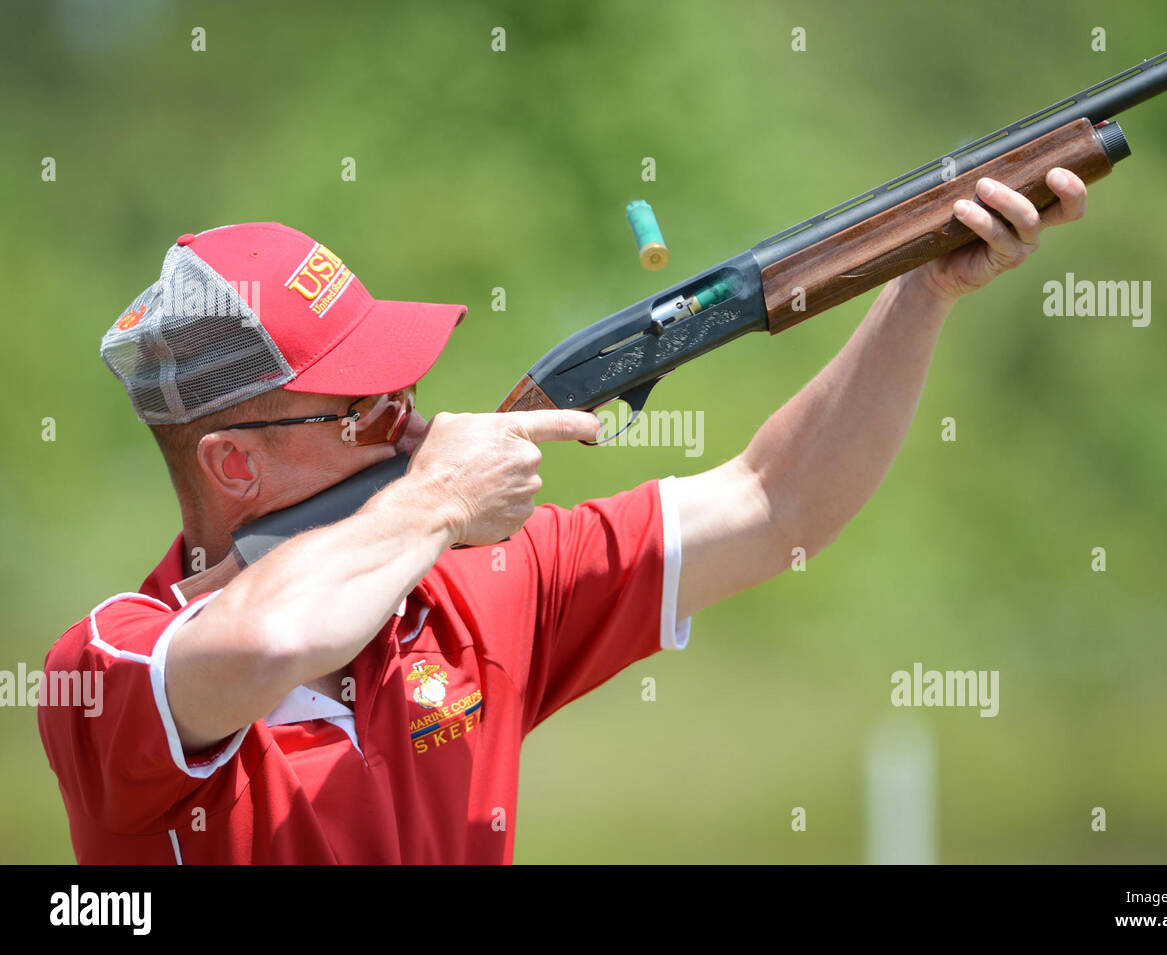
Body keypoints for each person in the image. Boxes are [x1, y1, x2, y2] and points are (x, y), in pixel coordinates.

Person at [37, 171, 1087, 863]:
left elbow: (778, 503)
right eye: (369, 410)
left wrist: (921, 290)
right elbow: (274, 635)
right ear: (231, 463)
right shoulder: (114, 667)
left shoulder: (470, 587)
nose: (415, 420)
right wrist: (441, 499)